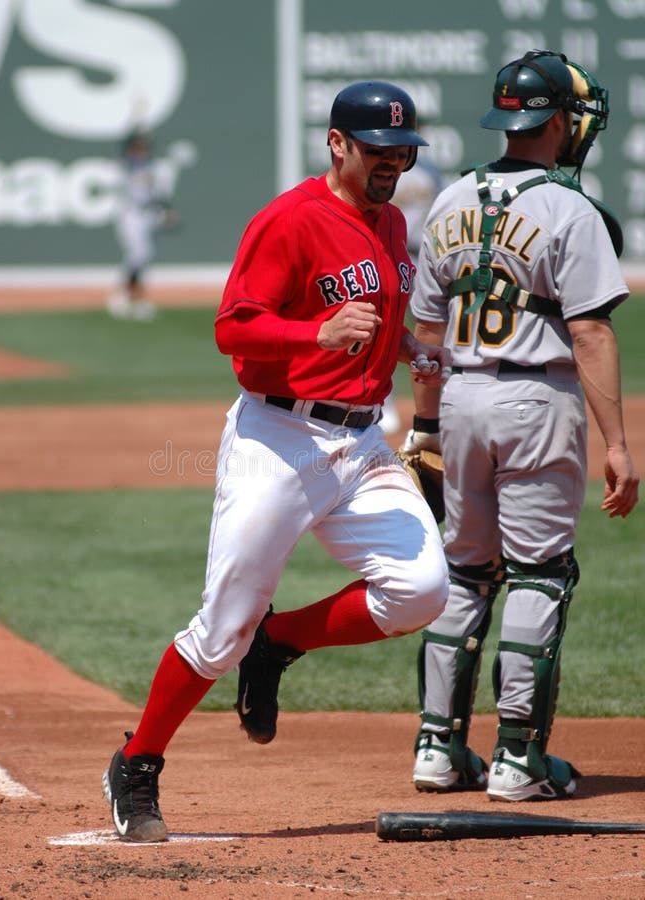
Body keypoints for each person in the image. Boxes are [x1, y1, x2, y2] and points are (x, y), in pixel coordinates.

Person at [102, 80, 452, 842]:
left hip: (361, 442)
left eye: (402, 150)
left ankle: (282, 639)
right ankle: (137, 762)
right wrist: (313, 335)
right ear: (337, 144)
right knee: (220, 629)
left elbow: (377, 321)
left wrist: (413, 349)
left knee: (422, 591)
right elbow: (234, 328)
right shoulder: (289, 221)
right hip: (279, 440)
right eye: (376, 149)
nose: (392, 162)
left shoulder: (391, 222)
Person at [403, 50, 639, 802]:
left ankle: (437, 750)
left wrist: (427, 427)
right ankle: (516, 760)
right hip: (537, 401)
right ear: (559, 121)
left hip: (462, 395)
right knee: (540, 573)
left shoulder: (450, 198)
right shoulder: (570, 207)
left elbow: (427, 326)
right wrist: (621, 446)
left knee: (467, 573)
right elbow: (593, 334)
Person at [380, 130, 444, 435]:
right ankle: (385, 404)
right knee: (383, 330)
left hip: (421, 256)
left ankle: (436, 407)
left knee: (431, 330)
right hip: (387, 252)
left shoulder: (429, 172)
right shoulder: (380, 170)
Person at [106, 130, 179, 321]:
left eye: (144, 147)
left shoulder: (153, 167)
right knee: (139, 254)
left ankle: (136, 298)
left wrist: (166, 212)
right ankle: (121, 295)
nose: (142, 150)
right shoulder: (128, 165)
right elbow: (123, 160)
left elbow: (159, 194)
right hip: (131, 214)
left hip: (149, 214)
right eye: (138, 147)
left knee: (145, 257)